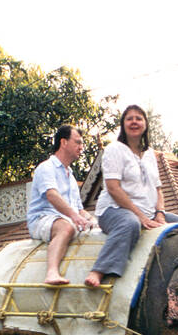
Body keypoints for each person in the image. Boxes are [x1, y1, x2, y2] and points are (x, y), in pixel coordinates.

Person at [85, 105, 168, 289]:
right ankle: (98, 270)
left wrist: (160, 213)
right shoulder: (114, 149)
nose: (134, 122)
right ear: (123, 124)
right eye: (129, 118)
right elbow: (113, 189)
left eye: (139, 118)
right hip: (114, 211)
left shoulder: (150, 155)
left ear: (145, 124)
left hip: (149, 213)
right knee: (130, 224)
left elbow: (158, 190)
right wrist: (142, 217)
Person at [27, 124, 94, 285]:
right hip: (42, 219)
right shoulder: (46, 168)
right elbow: (52, 195)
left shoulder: (70, 175)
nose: (81, 147)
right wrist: (75, 217)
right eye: (77, 142)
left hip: (65, 219)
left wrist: (91, 219)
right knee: (66, 228)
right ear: (63, 142)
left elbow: (79, 209)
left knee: (96, 227)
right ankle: (51, 273)